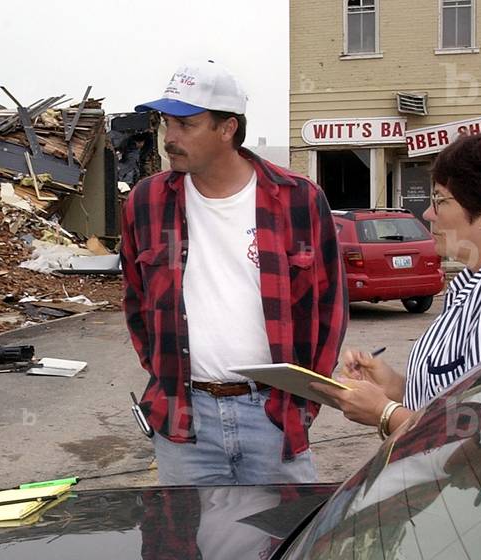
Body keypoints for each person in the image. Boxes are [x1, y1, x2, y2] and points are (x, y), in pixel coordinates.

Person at [121, 60, 347, 486]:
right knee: (187, 548)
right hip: (183, 421)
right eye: (167, 123)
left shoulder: (297, 199)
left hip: (273, 415)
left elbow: (330, 307)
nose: (170, 138)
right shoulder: (146, 202)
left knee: (284, 544)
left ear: (227, 128)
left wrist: (303, 405)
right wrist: (165, 376)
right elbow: (135, 300)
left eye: (186, 124)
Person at [316, 120, 481, 439]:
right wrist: (394, 386)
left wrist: (385, 414)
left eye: (440, 200)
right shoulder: (479, 279)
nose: (428, 213)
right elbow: (456, 395)